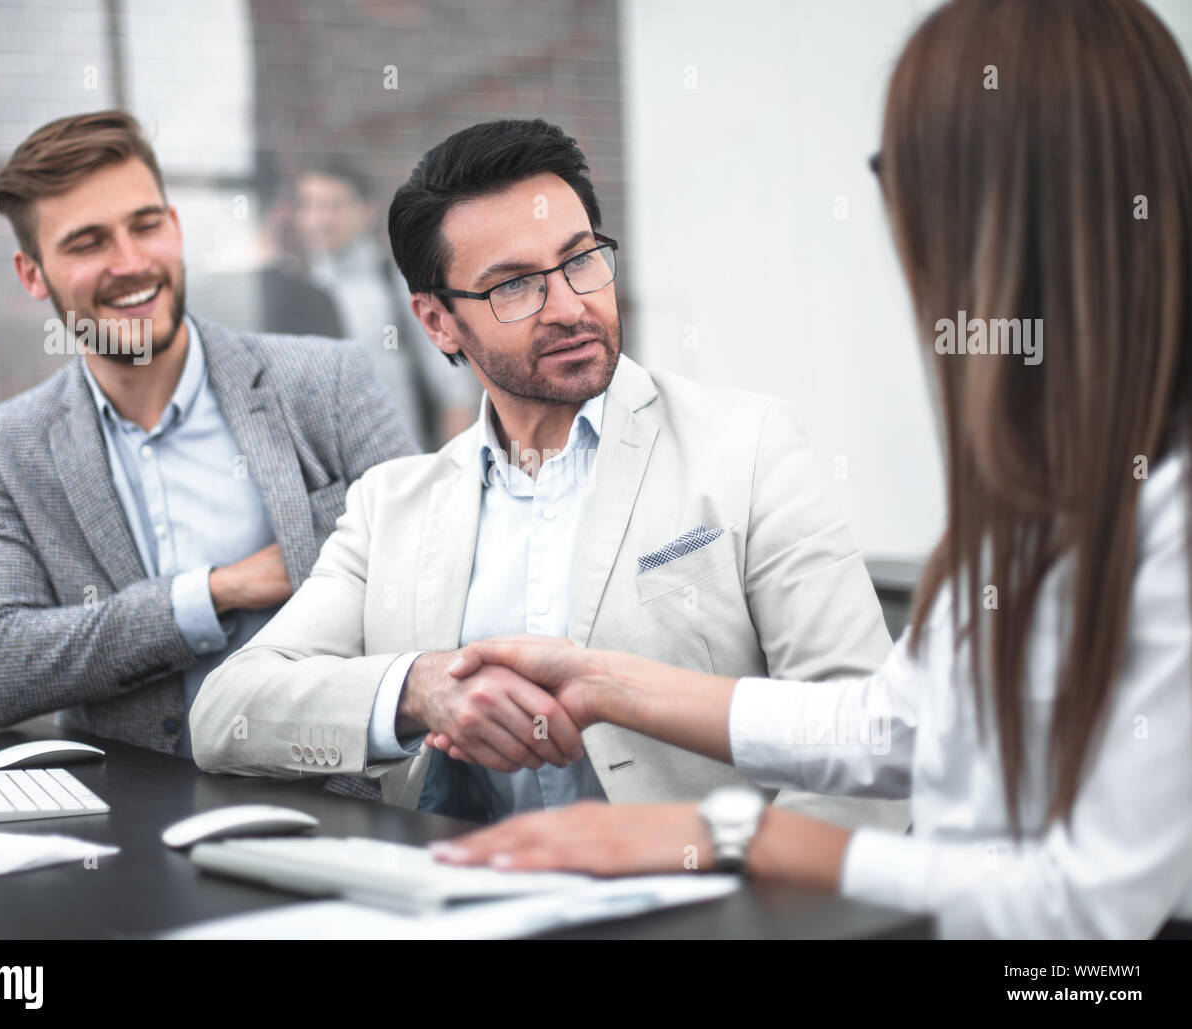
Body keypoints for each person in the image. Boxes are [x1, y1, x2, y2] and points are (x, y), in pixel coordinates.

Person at [430, 0, 1192, 938]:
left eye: (899, 173)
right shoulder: (1047, 485)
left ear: (1014, 204)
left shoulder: (1167, 507)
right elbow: (890, 724)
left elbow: (1089, 909)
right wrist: (601, 683)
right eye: (515, 283)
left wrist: (729, 834)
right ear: (437, 322)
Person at [191, 118, 910, 834]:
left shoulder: (749, 447)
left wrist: (742, 896)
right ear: (438, 322)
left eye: (581, 260)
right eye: (514, 287)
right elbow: (227, 713)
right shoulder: (391, 505)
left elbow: (873, 744)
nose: (569, 306)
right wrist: (418, 689)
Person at [0, 111, 415, 798]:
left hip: (333, 811)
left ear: (174, 225)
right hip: (124, 836)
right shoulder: (16, 442)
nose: (130, 262)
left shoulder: (326, 383)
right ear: (32, 273)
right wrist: (210, 594)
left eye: (145, 225)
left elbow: (426, 573)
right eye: (87, 241)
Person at [292, 158, 478, 449]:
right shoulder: (293, 289)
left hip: (400, 467)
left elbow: (452, 384)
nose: (320, 219)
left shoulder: (399, 284)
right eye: (310, 205)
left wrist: (452, 471)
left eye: (333, 206)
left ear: (366, 211)